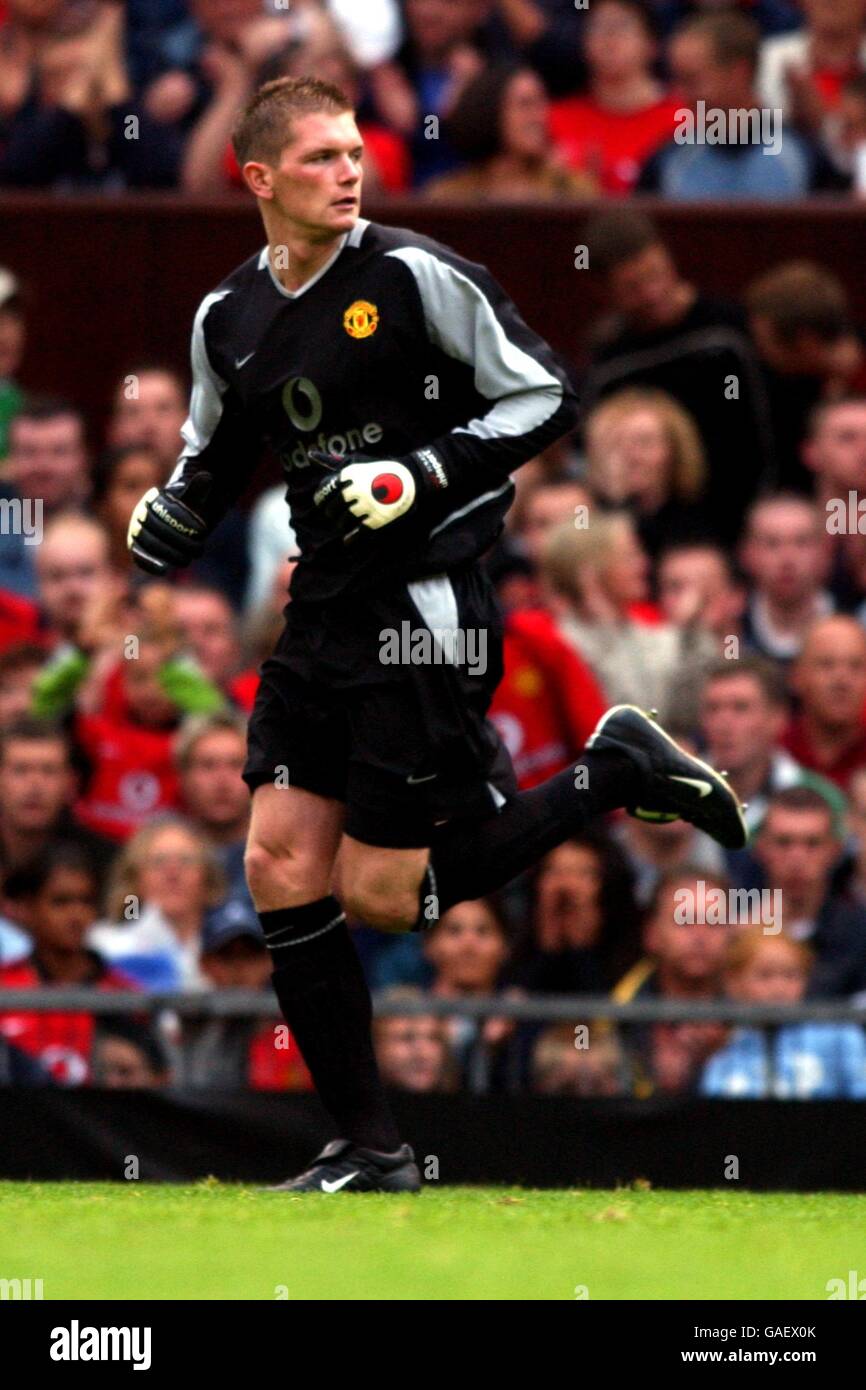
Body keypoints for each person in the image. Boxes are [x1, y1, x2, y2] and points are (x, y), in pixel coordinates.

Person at [126, 74, 746, 1194]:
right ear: (259, 179)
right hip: (319, 608)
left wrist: (415, 473)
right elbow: (217, 447)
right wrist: (174, 510)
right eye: (318, 157)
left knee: (379, 895)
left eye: (353, 150)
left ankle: (609, 769)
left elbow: (545, 393)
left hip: (424, 601)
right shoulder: (227, 315)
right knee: (274, 864)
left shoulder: (411, 273)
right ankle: (370, 1148)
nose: (347, 170)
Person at [700, 927, 866, 1098]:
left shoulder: (839, 1037)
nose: (778, 988)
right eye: (765, 975)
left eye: (790, 975)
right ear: (734, 982)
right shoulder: (722, 1044)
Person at [549, 0, 679, 194]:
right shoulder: (556, 119)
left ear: (652, 45)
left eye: (622, 25)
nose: (609, 38)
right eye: (597, 27)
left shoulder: (681, 119)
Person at [424, 62, 596, 201]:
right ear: (490, 112)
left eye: (541, 105)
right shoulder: (449, 198)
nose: (540, 116)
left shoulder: (571, 192)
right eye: (525, 104)